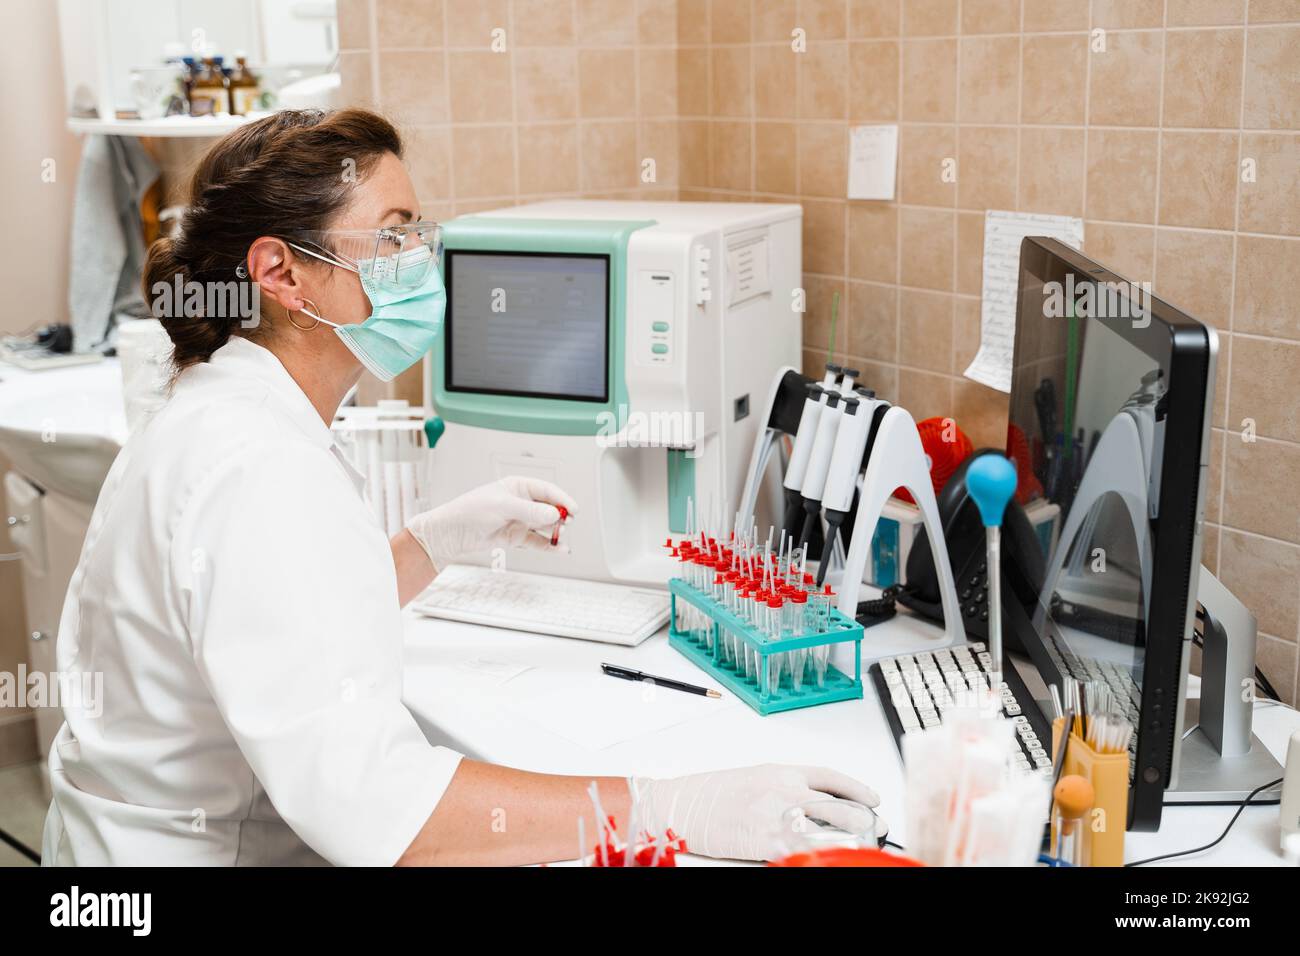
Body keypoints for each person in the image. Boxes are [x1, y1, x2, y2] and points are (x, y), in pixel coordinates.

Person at [41, 109, 877, 866]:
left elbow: (270, 619)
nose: (422, 265)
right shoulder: (258, 468)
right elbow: (380, 812)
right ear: (282, 276)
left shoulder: (221, 411)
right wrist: (668, 805)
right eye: (394, 237)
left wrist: (426, 547)